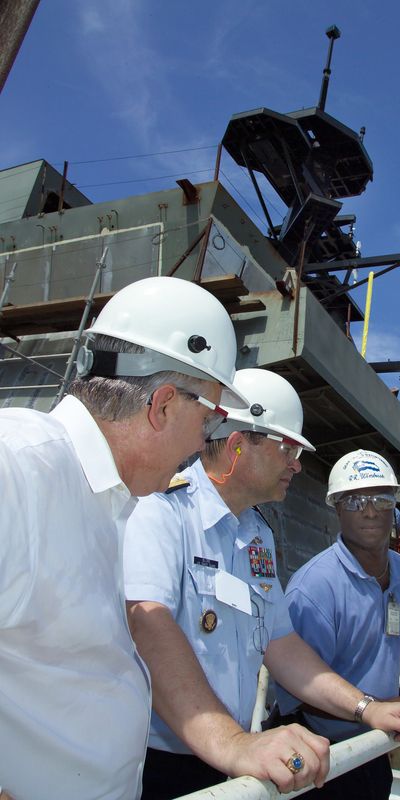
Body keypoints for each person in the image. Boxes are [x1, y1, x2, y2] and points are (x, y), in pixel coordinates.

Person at [123, 369, 400, 799]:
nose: (297, 464)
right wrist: (235, 744)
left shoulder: (256, 535)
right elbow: (147, 625)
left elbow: (281, 646)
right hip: (152, 764)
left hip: (223, 760)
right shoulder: (163, 511)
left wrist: (366, 708)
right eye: (286, 448)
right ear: (237, 445)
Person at [0, 276, 246, 800]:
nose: (206, 443)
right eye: (210, 420)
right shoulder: (18, 469)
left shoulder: (111, 500)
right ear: (161, 406)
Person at [277, 449, 400, 800]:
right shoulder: (314, 588)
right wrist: (388, 704)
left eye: (380, 499)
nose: (369, 511)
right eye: (354, 501)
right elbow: (298, 694)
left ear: (394, 506)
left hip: (372, 748)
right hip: (321, 755)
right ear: (336, 507)